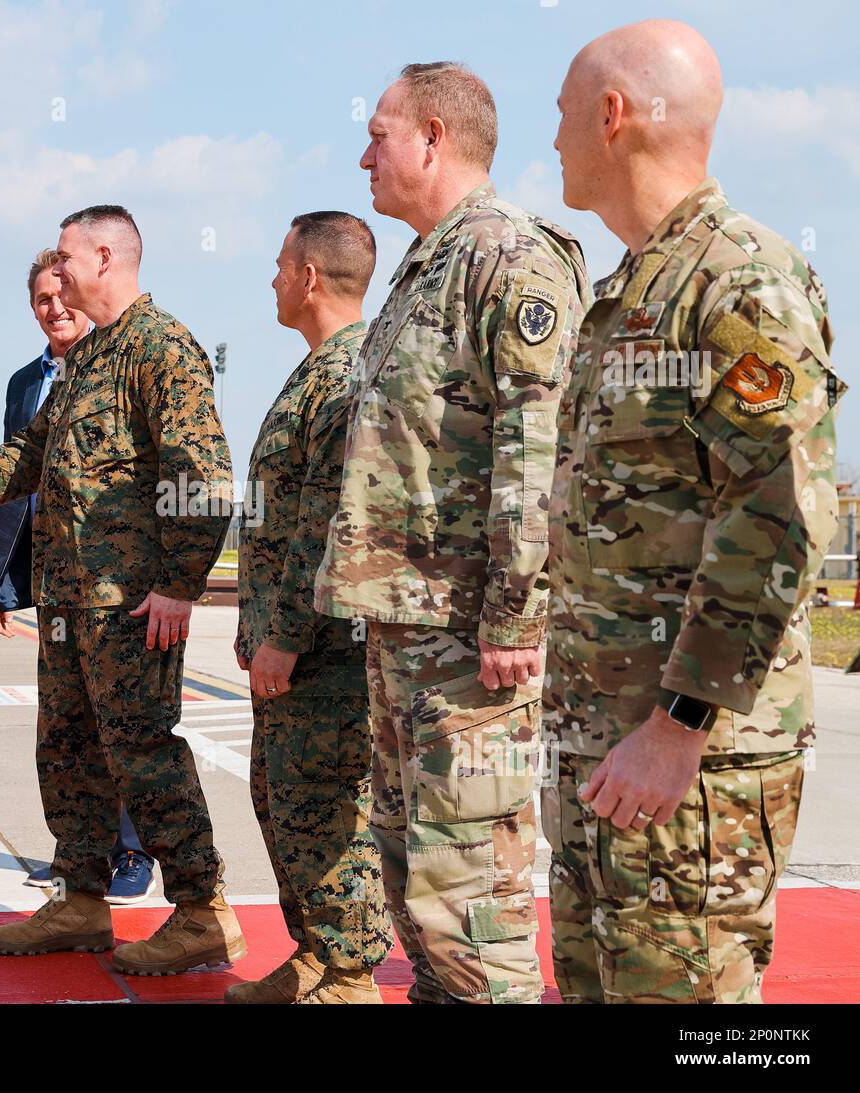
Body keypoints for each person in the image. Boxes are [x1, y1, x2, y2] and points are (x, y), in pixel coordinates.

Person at [545, 19, 845, 1003]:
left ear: (612, 116)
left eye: (561, 115)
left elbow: (779, 523)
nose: (552, 140)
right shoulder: (629, 290)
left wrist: (680, 720)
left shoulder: (737, 283)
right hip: (604, 746)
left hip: (690, 763)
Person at [314, 63, 589, 1003]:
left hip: (470, 640)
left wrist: (516, 614)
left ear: (433, 137)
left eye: (378, 134)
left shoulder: (510, 258)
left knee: (473, 887)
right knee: (417, 878)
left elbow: (539, 446)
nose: (365, 156)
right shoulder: (427, 265)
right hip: (409, 625)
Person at [0, 206, 243, 975]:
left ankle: (203, 910)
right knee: (67, 752)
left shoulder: (161, 348)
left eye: (69, 256)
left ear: (105, 256)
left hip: (133, 610)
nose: (60, 272)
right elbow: (26, 457)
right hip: (71, 612)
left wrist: (180, 585)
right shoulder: (86, 361)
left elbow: (203, 480)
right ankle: (80, 898)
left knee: (144, 755)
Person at [227, 212, 392, 1005]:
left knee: (326, 808)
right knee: (284, 799)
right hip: (291, 647)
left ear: (310, 277)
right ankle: (317, 955)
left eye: (281, 263)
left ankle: (353, 974)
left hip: (326, 651)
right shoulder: (318, 368)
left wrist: (284, 636)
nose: (273, 278)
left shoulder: (347, 375)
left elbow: (329, 527)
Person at [0, 248, 156, 904]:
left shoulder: (122, 365)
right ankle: (81, 855)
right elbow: (15, 483)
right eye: (39, 301)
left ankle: (133, 850)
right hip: (58, 579)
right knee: (68, 727)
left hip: (119, 578)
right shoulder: (25, 383)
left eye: (61, 295)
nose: (52, 309)